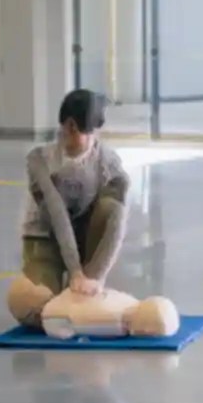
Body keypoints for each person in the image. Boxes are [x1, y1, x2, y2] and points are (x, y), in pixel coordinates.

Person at [22, 89, 130, 296]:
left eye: (94, 132)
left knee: (113, 207)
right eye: (86, 132)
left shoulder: (109, 161)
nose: (92, 139)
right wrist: (75, 271)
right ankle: (58, 287)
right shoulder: (39, 160)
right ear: (69, 126)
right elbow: (57, 215)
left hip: (84, 232)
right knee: (35, 302)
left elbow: (116, 221)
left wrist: (91, 278)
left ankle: (88, 289)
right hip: (46, 237)